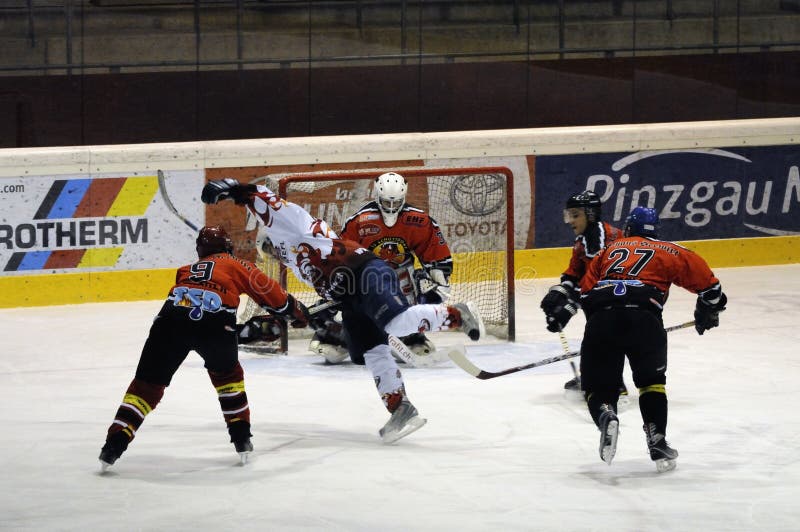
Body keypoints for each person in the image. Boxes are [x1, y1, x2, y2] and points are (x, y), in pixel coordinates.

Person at [201, 178, 483, 444]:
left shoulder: (292, 226)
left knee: (396, 323)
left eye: (268, 248)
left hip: (364, 272)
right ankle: (401, 407)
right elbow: (321, 288)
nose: (272, 254)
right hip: (350, 296)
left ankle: (457, 314)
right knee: (373, 352)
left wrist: (235, 190)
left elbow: (269, 202)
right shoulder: (294, 260)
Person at [98, 225, 310, 471]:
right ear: (228, 247)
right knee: (228, 378)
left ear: (200, 249)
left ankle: (113, 445)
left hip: (170, 320)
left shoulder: (185, 270)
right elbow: (269, 292)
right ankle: (241, 439)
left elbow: (193, 298)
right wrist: (295, 312)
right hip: (215, 324)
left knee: (146, 386)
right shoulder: (236, 264)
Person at [544, 206, 727, 472]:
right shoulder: (671, 250)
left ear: (628, 229)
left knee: (596, 388)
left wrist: (565, 313)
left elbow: (584, 293)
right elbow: (712, 289)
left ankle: (607, 413)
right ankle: (657, 440)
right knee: (651, 383)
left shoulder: (608, 251)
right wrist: (707, 310)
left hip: (603, 318)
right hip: (645, 320)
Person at [309, 171, 451, 363]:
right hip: (368, 279)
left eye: (396, 202)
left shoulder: (419, 221)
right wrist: (340, 291)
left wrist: (436, 286)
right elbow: (342, 260)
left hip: (401, 278)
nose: (391, 208)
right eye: (386, 202)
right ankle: (337, 336)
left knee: (420, 286)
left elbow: (438, 260)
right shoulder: (359, 221)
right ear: (377, 196)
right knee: (352, 305)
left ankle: (411, 336)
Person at [539, 190, 628, 395]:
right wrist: (559, 294)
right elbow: (575, 272)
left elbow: (599, 281)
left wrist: (569, 307)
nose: (570, 221)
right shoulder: (584, 238)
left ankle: (616, 385)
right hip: (603, 297)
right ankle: (591, 378)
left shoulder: (599, 237)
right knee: (594, 337)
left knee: (605, 337)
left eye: (575, 215)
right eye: (569, 215)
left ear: (591, 214)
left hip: (618, 295)